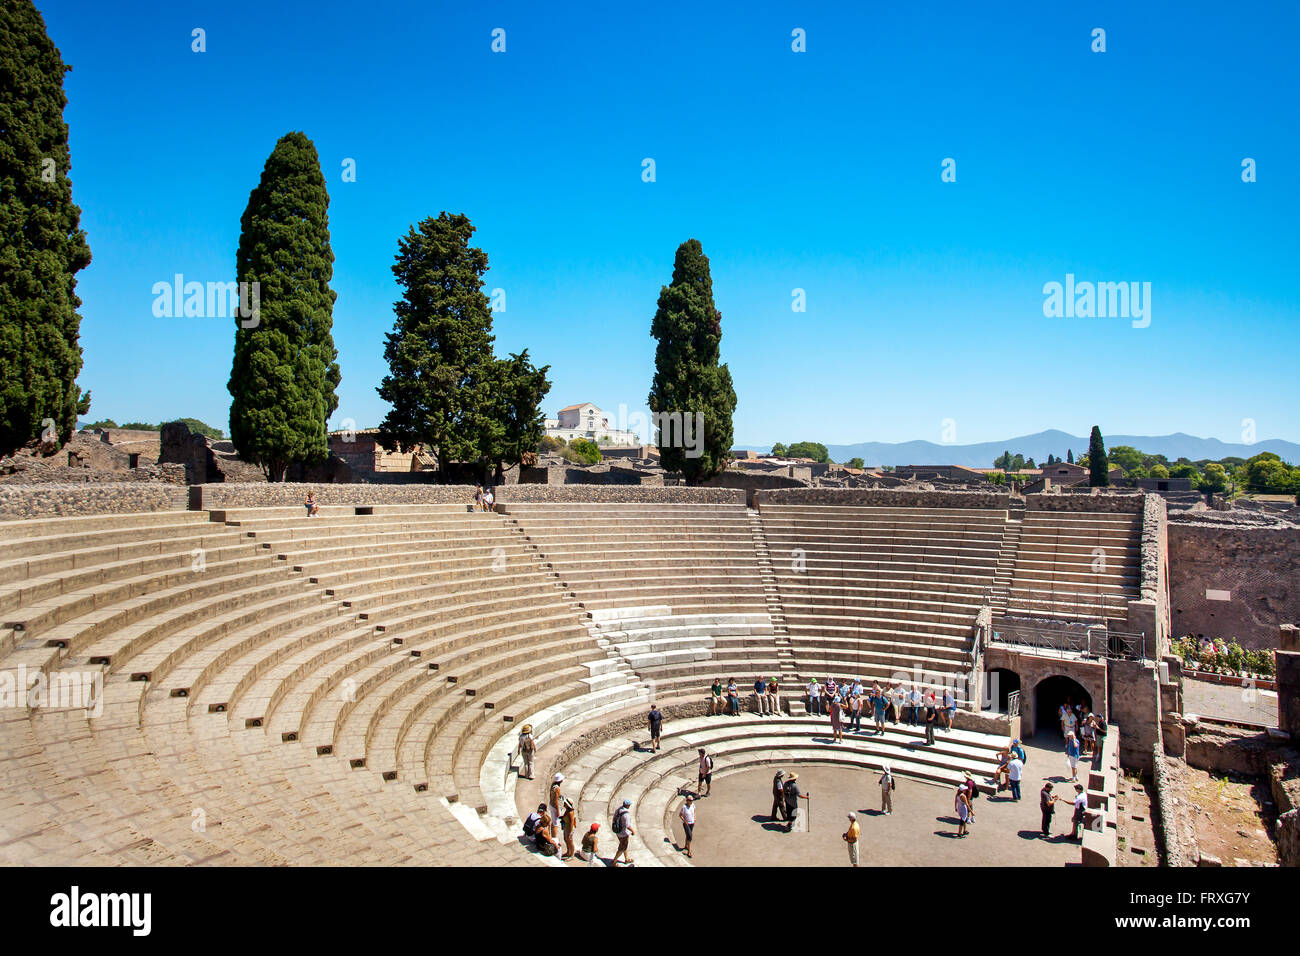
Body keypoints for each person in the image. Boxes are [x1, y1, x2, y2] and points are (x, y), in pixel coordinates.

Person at [611, 799, 635, 865]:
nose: (629, 806)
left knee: (624, 846)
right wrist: (633, 831)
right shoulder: (626, 814)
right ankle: (614, 861)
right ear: (627, 805)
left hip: (618, 832)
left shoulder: (618, 810)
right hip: (624, 834)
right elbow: (628, 826)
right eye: (629, 805)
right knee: (621, 848)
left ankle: (626, 859)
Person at [559, 792, 577, 859]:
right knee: (566, 840)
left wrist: (570, 832)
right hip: (566, 827)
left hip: (569, 829)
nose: (564, 804)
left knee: (570, 841)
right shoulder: (567, 810)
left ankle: (571, 855)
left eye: (565, 803)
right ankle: (568, 852)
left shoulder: (570, 813)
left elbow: (572, 822)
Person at [548, 773, 565, 839]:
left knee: (554, 822)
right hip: (555, 807)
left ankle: (553, 836)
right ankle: (554, 838)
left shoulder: (553, 785)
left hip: (552, 805)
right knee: (556, 824)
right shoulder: (557, 788)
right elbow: (556, 800)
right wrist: (558, 811)